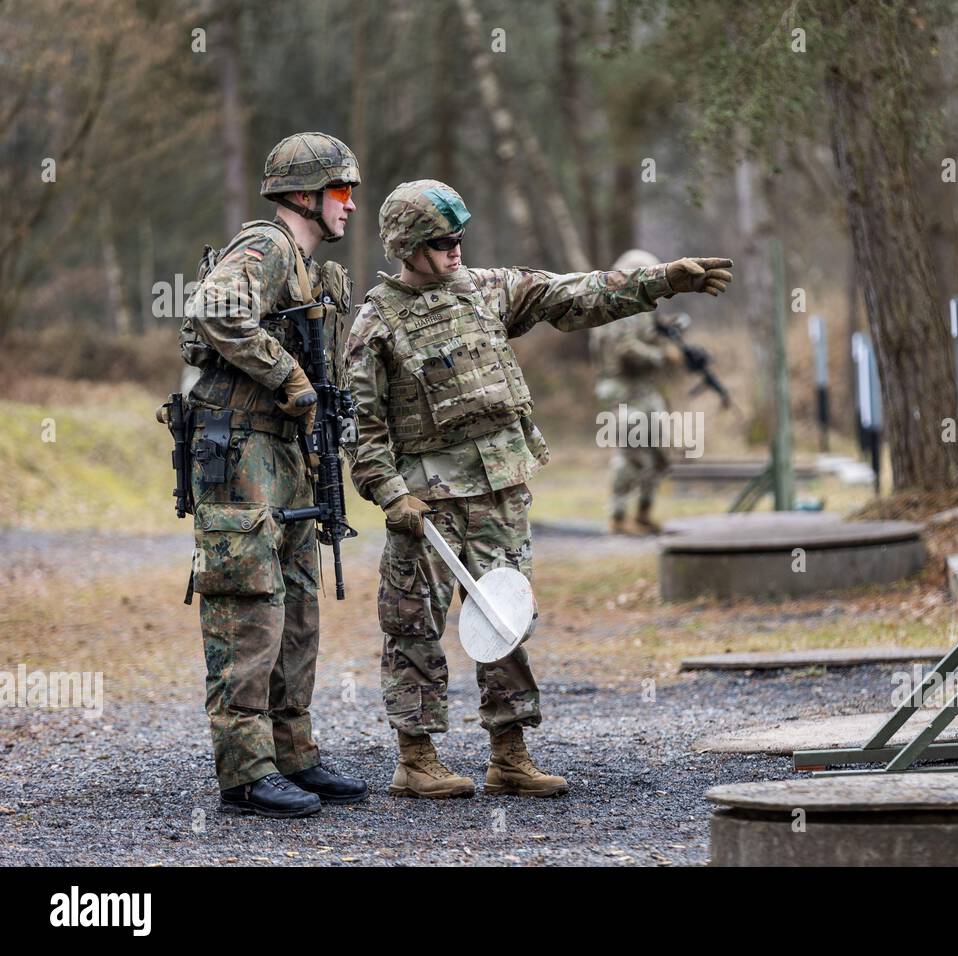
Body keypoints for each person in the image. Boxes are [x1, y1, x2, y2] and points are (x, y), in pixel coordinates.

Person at [344, 179, 732, 799]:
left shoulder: (488, 290)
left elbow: (572, 296)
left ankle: (510, 752)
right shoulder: (376, 323)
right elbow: (358, 423)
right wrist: (390, 493)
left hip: (501, 487)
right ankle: (416, 758)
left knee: (506, 617)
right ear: (409, 246)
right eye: (442, 241)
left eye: (459, 238)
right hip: (427, 498)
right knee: (414, 623)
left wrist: (661, 281)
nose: (455, 250)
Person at [179, 132, 368, 817]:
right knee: (249, 607)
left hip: (286, 454)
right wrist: (292, 378)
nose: (351, 204)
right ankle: (245, 774)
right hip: (242, 454)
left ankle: (293, 755)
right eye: (341, 190)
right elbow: (217, 308)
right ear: (303, 195)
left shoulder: (310, 267)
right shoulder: (265, 246)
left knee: (297, 606)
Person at [589, 248, 686, 534]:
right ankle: (619, 518)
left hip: (643, 388)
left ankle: (643, 513)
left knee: (659, 453)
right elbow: (625, 349)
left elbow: (641, 339)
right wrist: (662, 355)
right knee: (632, 454)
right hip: (621, 389)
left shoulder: (638, 308)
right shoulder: (616, 306)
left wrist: (666, 337)